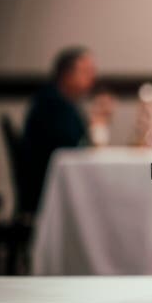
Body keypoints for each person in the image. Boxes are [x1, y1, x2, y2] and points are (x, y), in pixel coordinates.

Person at [19, 47, 114, 217]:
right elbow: (75, 149)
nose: (93, 77)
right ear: (67, 74)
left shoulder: (61, 101)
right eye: (87, 71)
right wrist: (97, 125)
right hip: (47, 193)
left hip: (53, 187)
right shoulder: (53, 105)